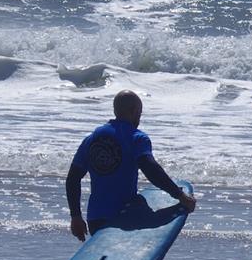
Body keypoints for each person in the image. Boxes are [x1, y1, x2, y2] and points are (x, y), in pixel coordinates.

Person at [66, 90, 197, 242]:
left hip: (95, 219)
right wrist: (179, 195)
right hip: (125, 217)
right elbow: (150, 168)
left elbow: (73, 178)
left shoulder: (91, 140)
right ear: (135, 111)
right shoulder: (136, 137)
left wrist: (75, 216)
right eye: (140, 113)